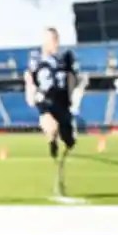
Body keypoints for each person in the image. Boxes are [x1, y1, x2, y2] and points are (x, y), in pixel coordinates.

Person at [25, 27, 84, 197]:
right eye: (51, 39)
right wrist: (30, 93)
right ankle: (51, 139)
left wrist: (73, 97)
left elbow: (73, 78)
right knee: (50, 125)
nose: (54, 43)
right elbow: (29, 78)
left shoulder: (66, 57)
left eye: (55, 39)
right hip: (45, 99)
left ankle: (60, 164)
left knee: (70, 141)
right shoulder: (36, 58)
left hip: (62, 102)